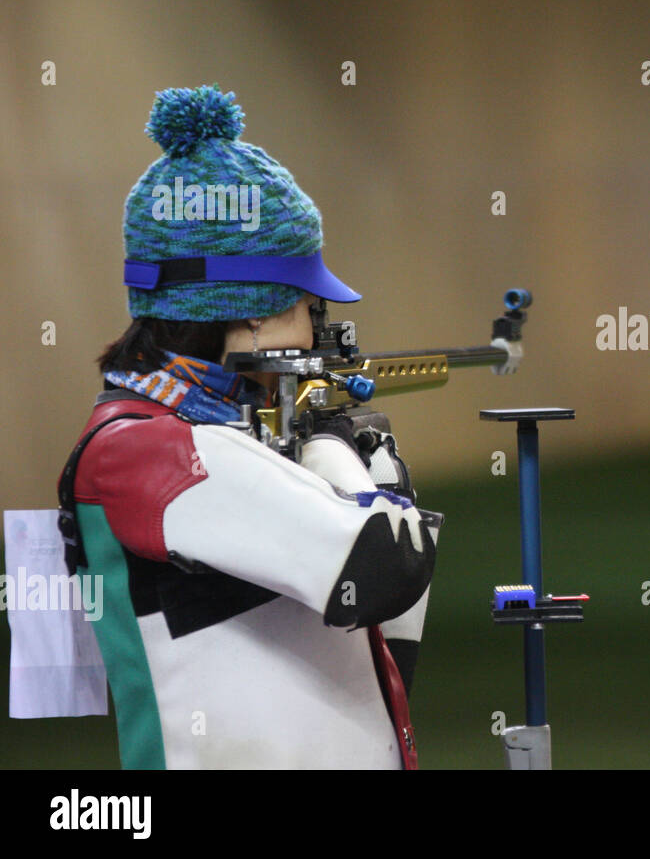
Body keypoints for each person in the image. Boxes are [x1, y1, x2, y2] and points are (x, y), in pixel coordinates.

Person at [61, 85, 437, 769]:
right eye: (304, 304)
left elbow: (383, 652)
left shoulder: (222, 434)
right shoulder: (139, 450)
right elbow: (384, 566)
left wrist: (360, 468)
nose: (318, 326)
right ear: (255, 312)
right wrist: (331, 448)